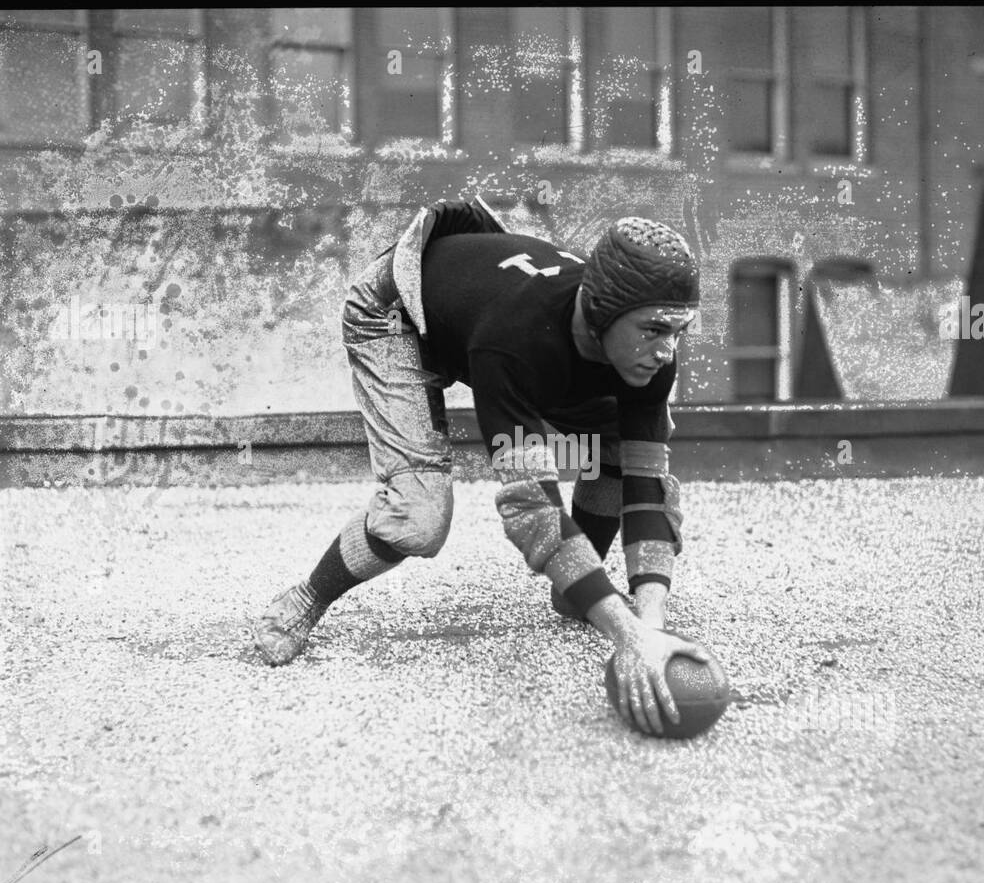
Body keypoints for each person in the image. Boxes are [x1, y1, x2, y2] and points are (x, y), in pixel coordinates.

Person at [252, 197, 709, 736]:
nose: (666, 350)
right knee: (418, 519)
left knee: (617, 451)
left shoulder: (649, 352)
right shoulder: (514, 340)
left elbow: (646, 483)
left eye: (678, 330)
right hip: (396, 313)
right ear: (602, 311)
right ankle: (307, 597)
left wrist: (648, 622)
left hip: (491, 313)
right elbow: (532, 510)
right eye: (655, 330)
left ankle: (581, 591)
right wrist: (627, 638)